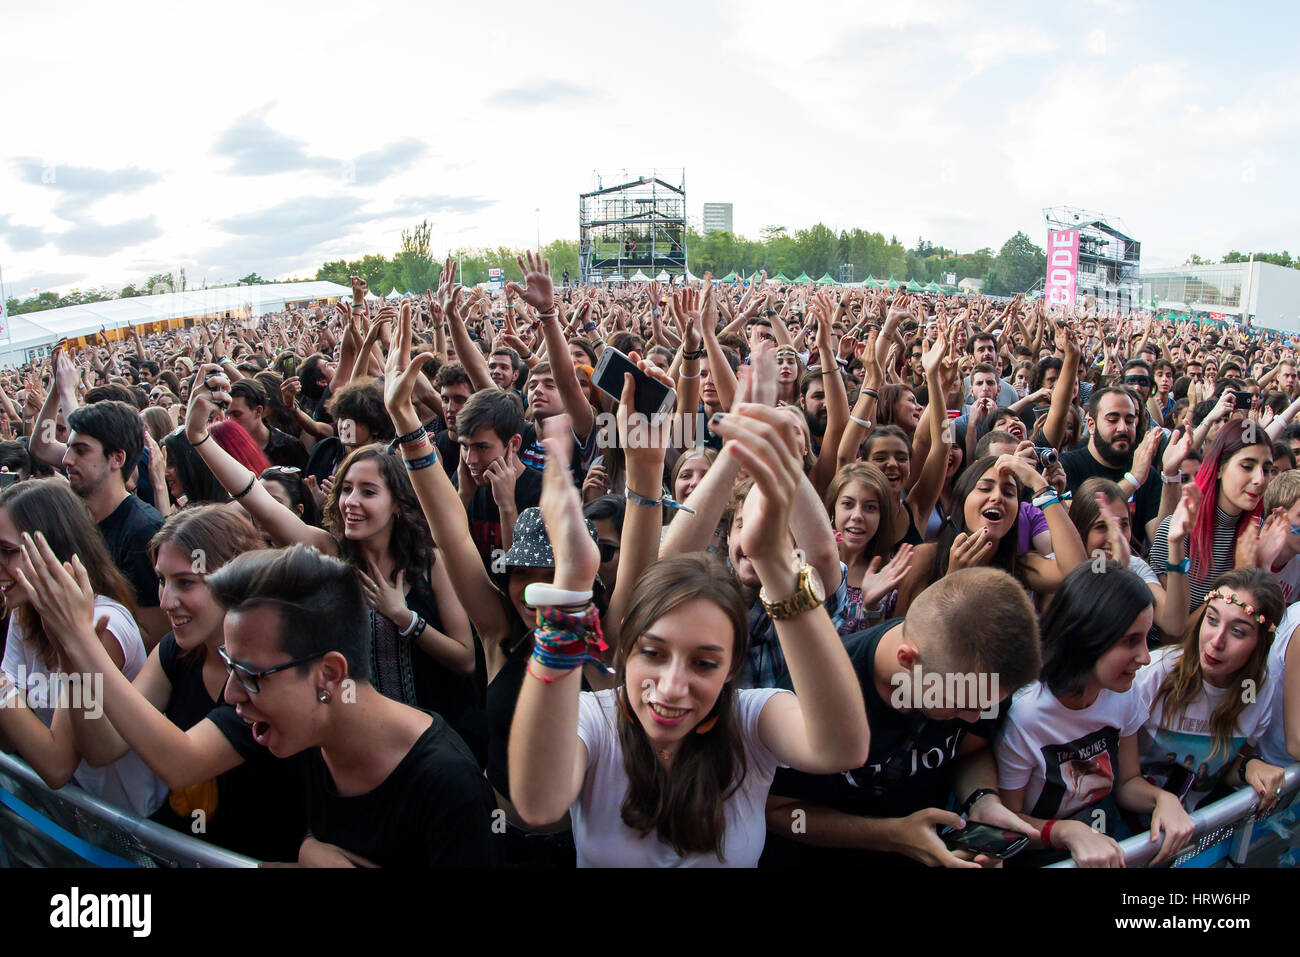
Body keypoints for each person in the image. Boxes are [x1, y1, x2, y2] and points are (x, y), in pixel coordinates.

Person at [508, 406, 870, 866]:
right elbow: (539, 804)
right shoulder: (592, 722)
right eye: (654, 653)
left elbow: (842, 747)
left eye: (704, 662)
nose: (673, 686)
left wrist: (774, 562)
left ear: (733, 666)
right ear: (626, 645)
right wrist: (569, 596)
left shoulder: (751, 723)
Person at [14, 506, 306, 860]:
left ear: (236, 579)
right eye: (162, 580)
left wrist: (82, 641)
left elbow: (181, 763)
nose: (166, 601)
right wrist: (71, 657)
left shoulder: (271, 670)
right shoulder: (176, 651)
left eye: (185, 582)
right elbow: (103, 746)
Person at [208, 544, 498, 866]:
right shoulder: (295, 740)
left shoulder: (449, 787)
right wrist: (308, 848)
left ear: (329, 674)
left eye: (250, 675)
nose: (230, 693)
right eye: (229, 664)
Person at [763, 567, 1042, 868]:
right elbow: (778, 812)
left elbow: (970, 750)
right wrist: (891, 835)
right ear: (908, 660)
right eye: (958, 704)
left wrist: (982, 799)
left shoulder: (981, 681)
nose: (973, 718)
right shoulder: (814, 691)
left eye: (986, 706)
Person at [996, 563, 1195, 867]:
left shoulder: (1124, 693)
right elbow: (1007, 825)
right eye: (1130, 641)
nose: (1144, 657)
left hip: (1105, 832)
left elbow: (1127, 782)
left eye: (1145, 639)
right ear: (1087, 636)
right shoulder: (1025, 713)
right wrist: (1065, 832)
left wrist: (1163, 800)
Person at [0, 479, 167, 818]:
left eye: (6, 552)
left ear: (52, 547)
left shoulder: (105, 624)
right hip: (75, 817)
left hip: (132, 828)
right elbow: (11, 735)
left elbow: (56, 763)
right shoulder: (24, 612)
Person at [1133, 569, 1286, 814]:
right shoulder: (1154, 674)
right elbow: (1121, 781)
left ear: (1261, 643)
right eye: (1212, 619)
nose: (1217, 641)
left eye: (1238, 631)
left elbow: (1221, 771)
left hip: (1196, 828)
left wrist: (1250, 767)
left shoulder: (1258, 689)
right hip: (1131, 830)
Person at [63, 400, 168, 646]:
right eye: (69, 449)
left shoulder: (143, 530)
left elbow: (155, 634)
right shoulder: (76, 519)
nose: (67, 459)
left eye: (81, 450)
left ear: (117, 458)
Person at [1149, 418, 1270, 615]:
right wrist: (1237, 579)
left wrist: (1265, 566)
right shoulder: (1176, 531)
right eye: (1247, 466)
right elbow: (1173, 632)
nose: (1260, 479)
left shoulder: (1258, 532)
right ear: (1219, 468)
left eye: (1267, 470)